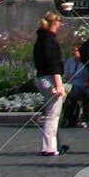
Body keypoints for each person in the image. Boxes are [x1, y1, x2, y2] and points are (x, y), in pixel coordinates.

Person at [32, 12, 69, 157]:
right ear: (54, 23)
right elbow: (54, 64)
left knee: (49, 114)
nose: (60, 25)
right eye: (59, 22)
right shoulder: (50, 41)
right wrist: (59, 84)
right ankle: (50, 148)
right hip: (51, 79)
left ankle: (48, 146)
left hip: (41, 78)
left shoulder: (40, 39)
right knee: (53, 116)